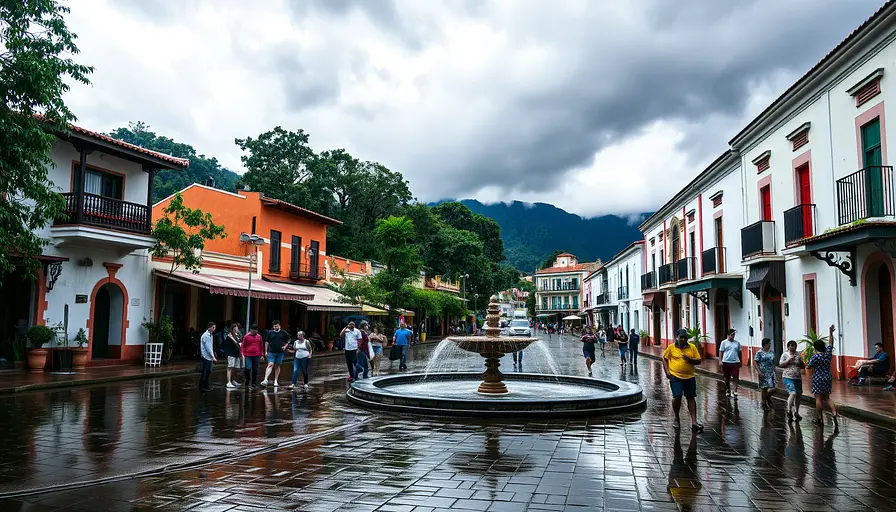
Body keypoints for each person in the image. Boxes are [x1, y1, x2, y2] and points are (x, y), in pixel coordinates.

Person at [663, 328, 703, 433]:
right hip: (675, 376)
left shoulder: (692, 347)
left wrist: (690, 360)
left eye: (685, 337)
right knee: (677, 396)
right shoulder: (671, 347)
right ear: (677, 337)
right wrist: (667, 372)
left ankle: (694, 422)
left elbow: (699, 361)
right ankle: (677, 417)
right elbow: (664, 358)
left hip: (689, 376)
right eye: (681, 337)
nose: (683, 339)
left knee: (691, 397)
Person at [807, 324, 838, 426]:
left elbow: (808, 367)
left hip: (818, 377)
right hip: (827, 376)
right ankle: (833, 412)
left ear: (815, 348)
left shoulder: (815, 357)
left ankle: (820, 418)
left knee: (818, 398)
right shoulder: (828, 353)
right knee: (827, 397)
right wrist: (830, 333)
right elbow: (831, 343)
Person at [780, 340, 805, 421]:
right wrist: (788, 360)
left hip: (797, 377)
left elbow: (803, 366)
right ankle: (789, 410)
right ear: (788, 346)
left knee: (798, 394)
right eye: (791, 345)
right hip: (788, 377)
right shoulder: (785, 354)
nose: (793, 347)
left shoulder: (798, 355)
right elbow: (781, 364)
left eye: (794, 345)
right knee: (793, 393)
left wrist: (800, 361)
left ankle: (796, 412)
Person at [261, 320, 290, 388]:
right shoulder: (270, 333)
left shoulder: (283, 332)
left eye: (276, 326)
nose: (275, 327)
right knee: (270, 364)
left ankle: (276, 380)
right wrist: (265, 351)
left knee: (277, 365)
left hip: (280, 352)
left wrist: (285, 346)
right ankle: (265, 379)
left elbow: (288, 340)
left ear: (279, 326)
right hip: (271, 351)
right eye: (274, 326)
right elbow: (267, 342)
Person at [754, 338, 777, 411]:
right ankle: (763, 403)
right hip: (763, 372)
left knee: (774, 388)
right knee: (764, 388)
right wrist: (759, 371)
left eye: (770, 343)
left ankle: (767, 397)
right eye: (768, 343)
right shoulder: (759, 352)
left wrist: (774, 370)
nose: (770, 345)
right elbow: (755, 362)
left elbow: (773, 362)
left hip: (771, 372)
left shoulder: (772, 352)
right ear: (765, 344)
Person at [718, 329, 742, 397]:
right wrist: (720, 360)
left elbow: (740, 352)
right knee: (726, 377)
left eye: (734, 335)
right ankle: (728, 388)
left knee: (735, 376)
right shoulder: (724, 343)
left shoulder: (737, 343)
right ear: (728, 335)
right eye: (731, 335)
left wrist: (740, 361)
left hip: (735, 362)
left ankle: (735, 390)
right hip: (726, 362)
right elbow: (721, 351)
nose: (733, 336)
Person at [241, 324, 263, 389]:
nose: (256, 331)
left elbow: (261, 346)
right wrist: (242, 353)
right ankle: (247, 379)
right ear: (251, 330)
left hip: (256, 355)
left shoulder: (259, 337)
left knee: (255, 369)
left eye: (256, 330)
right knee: (248, 368)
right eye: (254, 330)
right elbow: (243, 345)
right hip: (248, 355)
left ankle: (254, 383)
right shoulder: (246, 336)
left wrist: (262, 354)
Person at [223, 323, 244, 389]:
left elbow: (241, 343)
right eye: (234, 329)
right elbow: (233, 344)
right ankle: (228, 382)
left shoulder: (238, 335)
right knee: (230, 367)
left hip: (237, 354)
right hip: (231, 353)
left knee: (236, 368)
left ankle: (233, 380)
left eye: (237, 328)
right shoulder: (230, 335)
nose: (236, 330)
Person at [199, 322, 216, 392]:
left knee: (208, 372)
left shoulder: (210, 335)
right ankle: (202, 387)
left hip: (208, 357)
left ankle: (206, 385)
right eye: (213, 327)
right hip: (205, 356)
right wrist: (213, 357)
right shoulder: (206, 336)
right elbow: (208, 348)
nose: (214, 329)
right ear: (209, 327)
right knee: (205, 372)